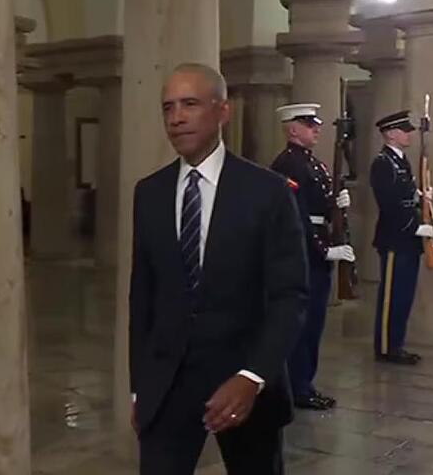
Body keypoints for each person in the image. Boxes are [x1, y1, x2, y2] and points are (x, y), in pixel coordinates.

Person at [128, 63, 308, 474]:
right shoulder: (149, 193)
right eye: (168, 107)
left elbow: (289, 295)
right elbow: (143, 297)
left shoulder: (267, 192)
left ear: (222, 111)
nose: (176, 118)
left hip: (244, 380)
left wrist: (252, 376)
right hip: (167, 385)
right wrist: (140, 388)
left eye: (190, 104)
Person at [270, 103, 353, 411]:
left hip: (317, 248)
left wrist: (337, 201)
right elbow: (295, 216)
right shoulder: (288, 164)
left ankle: (305, 382)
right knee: (303, 324)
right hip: (304, 250)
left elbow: (318, 205)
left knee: (315, 322)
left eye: (316, 124)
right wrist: (322, 248)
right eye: (309, 124)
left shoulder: (313, 164)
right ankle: (298, 387)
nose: (316, 128)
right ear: (292, 129)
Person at [369, 110, 433, 365]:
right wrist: (413, 227)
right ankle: (386, 347)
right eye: (404, 130)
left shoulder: (401, 160)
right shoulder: (383, 163)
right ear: (390, 134)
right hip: (395, 238)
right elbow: (389, 204)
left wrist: (421, 197)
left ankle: (396, 343)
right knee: (391, 297)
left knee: (404, 295)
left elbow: (406, 196)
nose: (409, 134)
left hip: (407, 240)